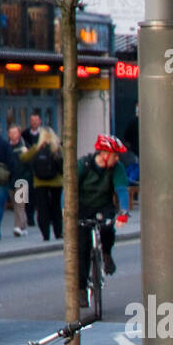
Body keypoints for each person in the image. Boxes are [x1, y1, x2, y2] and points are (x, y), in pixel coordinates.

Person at [76, 135, 131, 302]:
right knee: (82, 249)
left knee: (107, 228)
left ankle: (106, 253)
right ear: (104, 153)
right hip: (83, 207)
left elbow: (121, 189)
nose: (117, 159)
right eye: (115, 155)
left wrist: (123, 212)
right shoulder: (83, 165)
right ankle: (81, 289)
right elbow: (69, 188)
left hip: (103, 205)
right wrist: (65, 210)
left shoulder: (117, 168)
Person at [17, 126, 63, 241]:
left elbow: (24, 158)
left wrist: (23, 151)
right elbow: (63, 163)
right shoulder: (57, 148)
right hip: (56, 183)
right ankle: (58, 233)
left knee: (42, 209)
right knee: (56, 207)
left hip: (39, 182)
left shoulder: (36, 148)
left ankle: (45, 235)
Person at [6, 125, 28, 236]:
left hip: (21, 179)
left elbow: (28, 163)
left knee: (20, 204)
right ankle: (23, 225)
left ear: (19, 134)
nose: (13, 135)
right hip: (10, 179)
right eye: (11, 133)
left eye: (15, 132)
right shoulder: (7, 146)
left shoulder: (24, 146)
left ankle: (18, 226)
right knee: (16, 205)